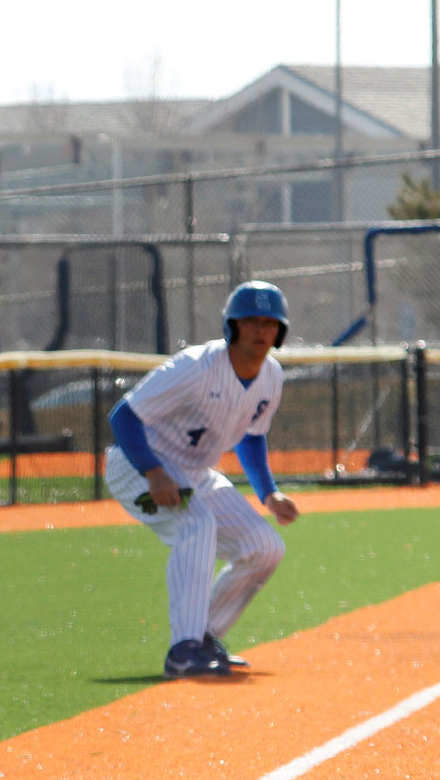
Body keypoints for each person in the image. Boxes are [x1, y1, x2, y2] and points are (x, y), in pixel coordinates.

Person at [104, 280, 301, 678]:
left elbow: (252, 436)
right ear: (232, 326)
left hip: (194, 472)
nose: (261, 331)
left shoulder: (271, 377)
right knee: (196, 525)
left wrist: (270, 494)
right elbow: (123, 417)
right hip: (138, 464)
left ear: (280, 332)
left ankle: (205, 637)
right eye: (251, 322)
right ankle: (184, 649)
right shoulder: (196, 366)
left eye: (269, 323)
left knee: (264, 547)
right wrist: (154, 473)